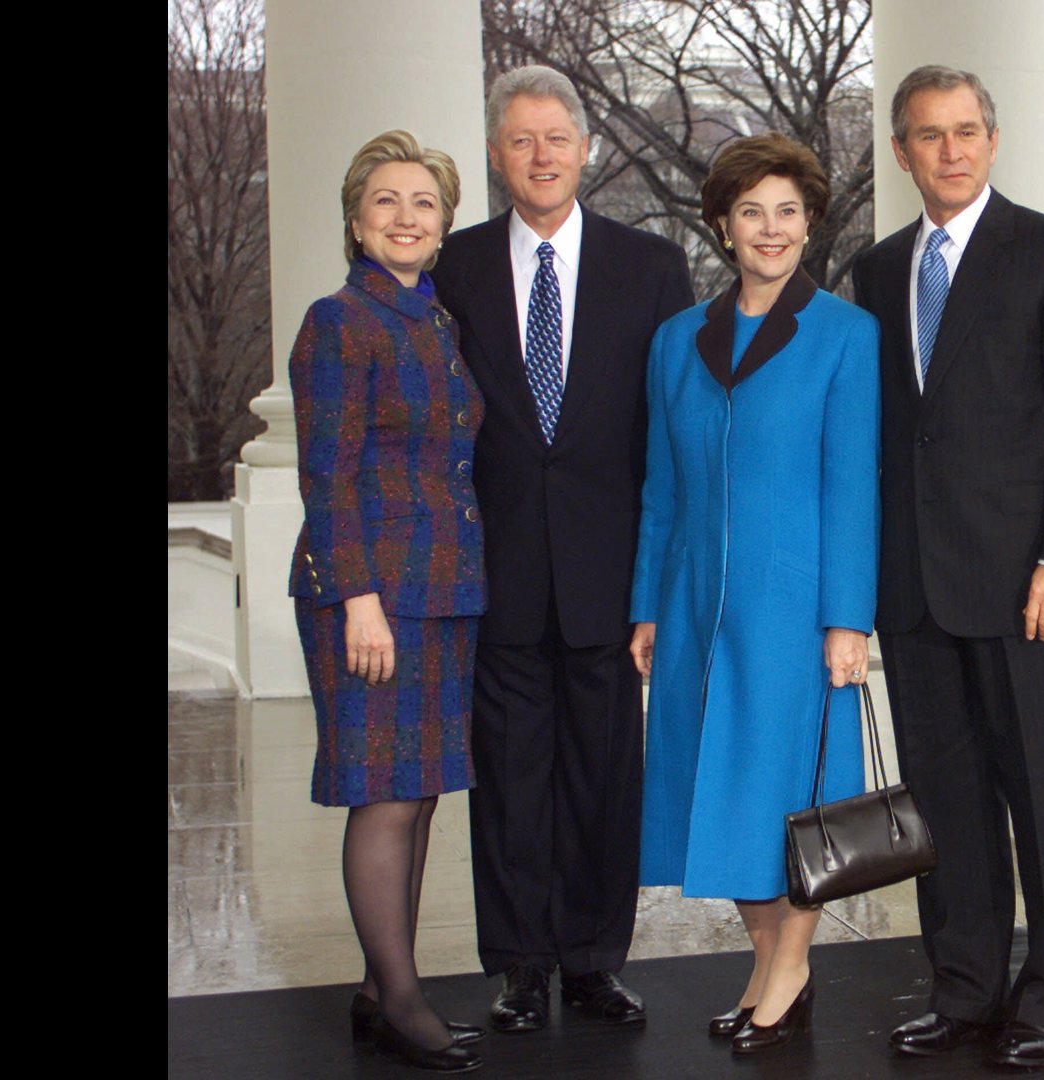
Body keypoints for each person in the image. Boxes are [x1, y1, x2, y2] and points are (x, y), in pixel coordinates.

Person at [850, 66, 1044, 1069]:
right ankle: (964, 990)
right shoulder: (877, 271)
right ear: (902, 152)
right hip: (916, 594)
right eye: (930, 135)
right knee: (948, 808)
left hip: (1028, 592)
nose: (952, 150)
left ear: (993, 140)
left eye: (967, 130)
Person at [429, 65, 694, 1033]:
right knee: (508, 778)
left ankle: (591, 961)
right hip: (492, 569)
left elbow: (671, 434)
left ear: (587, 148)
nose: (540, 156)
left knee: (602, 776)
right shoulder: (452, 267)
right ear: (495, 156)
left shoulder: (651, 266)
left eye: (556, 138)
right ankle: (517, 966)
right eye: (520, 140)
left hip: (609, 573)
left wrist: (659, 584)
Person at [628, 131, 880, 1056]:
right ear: (722, 227)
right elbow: (661, 486)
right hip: (696, 606)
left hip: (795, 614)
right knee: (722, 790)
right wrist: (648, 604)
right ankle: (773, 966)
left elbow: (853, 488)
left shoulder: (847, 336)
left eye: (787, 212)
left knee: (792, 797)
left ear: (809, 225)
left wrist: (848, 619)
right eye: (750, 213)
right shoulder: (675, 341)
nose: (770, 229)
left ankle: (788, 971)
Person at [286, 130, 486, 1074]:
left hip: (443, 587)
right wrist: (358, 598)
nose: (406, 218)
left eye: (423, 203)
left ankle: (380, 990)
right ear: (357, 222)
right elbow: (325, 477)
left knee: (420, 790)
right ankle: (403, 1000)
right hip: (370, 592)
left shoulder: (434, 320)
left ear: (443, 225)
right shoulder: (339, 321)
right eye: (386, 202)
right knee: (384, 795)